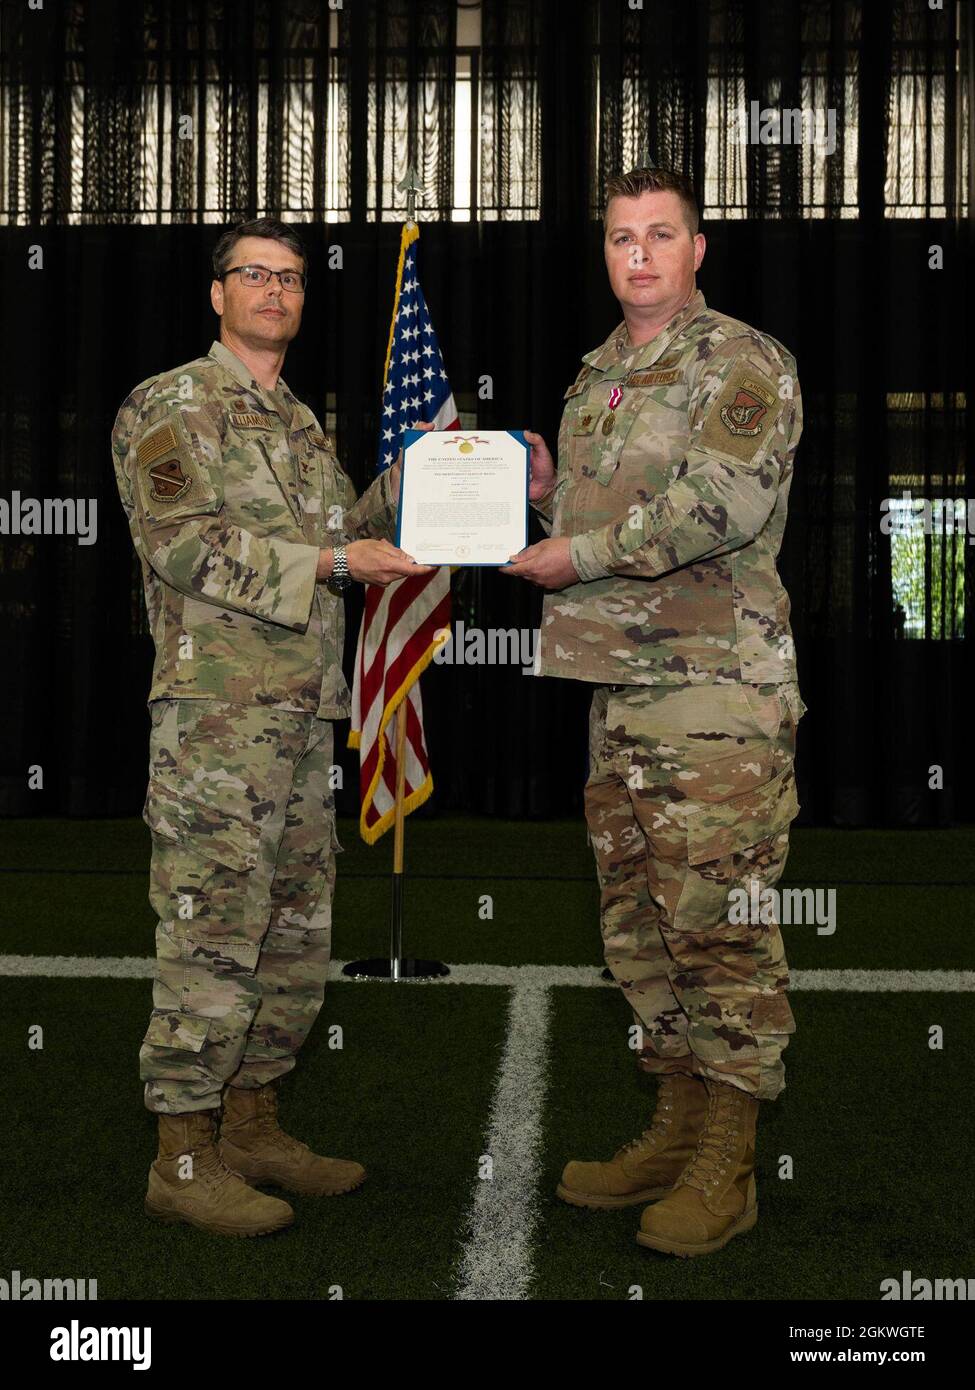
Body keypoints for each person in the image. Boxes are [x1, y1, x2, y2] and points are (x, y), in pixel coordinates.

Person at [112, 217, 434, 1237]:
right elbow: (185, 548)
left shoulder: (296, 422)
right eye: (254, 274)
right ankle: (183, 1155)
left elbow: (347, 537)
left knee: (293, 937)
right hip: (218, 724)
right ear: (218, 294)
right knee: (212, 933)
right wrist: (340, 563)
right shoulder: (170, 404)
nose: (275, 290)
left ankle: (251, 1123)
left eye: (290, 277)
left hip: (300, 718)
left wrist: (437, 481)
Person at [504, 168, 806, 1257]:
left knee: (721, 929)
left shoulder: (743, 361)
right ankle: (676, 1131)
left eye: (660, 235)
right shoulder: (599, 378)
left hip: (715, 697)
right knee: (641, 928)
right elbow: (613, 506)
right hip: (620, 693)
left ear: (697, 249)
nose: (639, 254)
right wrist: (544, 490)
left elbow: (719, 503)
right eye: (622, 237)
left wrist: (572, 548)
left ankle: (729, 1163)